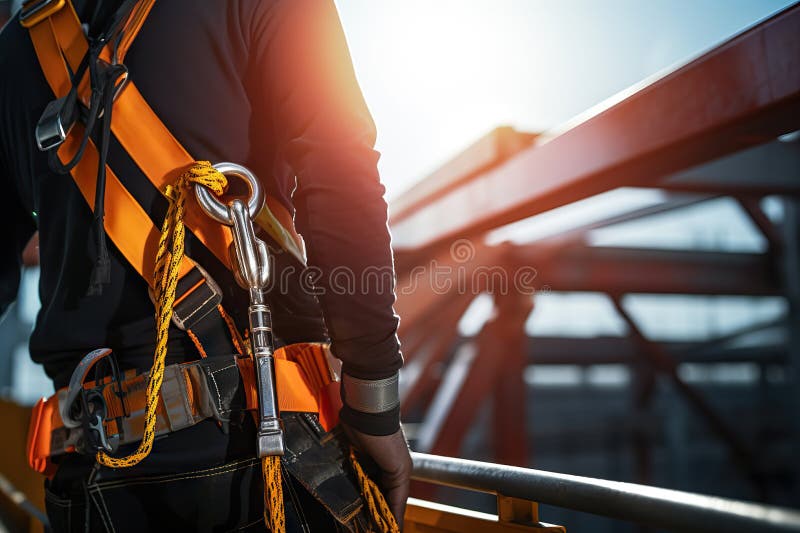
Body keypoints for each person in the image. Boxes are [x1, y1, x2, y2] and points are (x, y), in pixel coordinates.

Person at [0, 0, 412, 531]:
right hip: (260, 445)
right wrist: (375, 404)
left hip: (88, 464)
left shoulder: (16, 51)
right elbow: (339, 175)